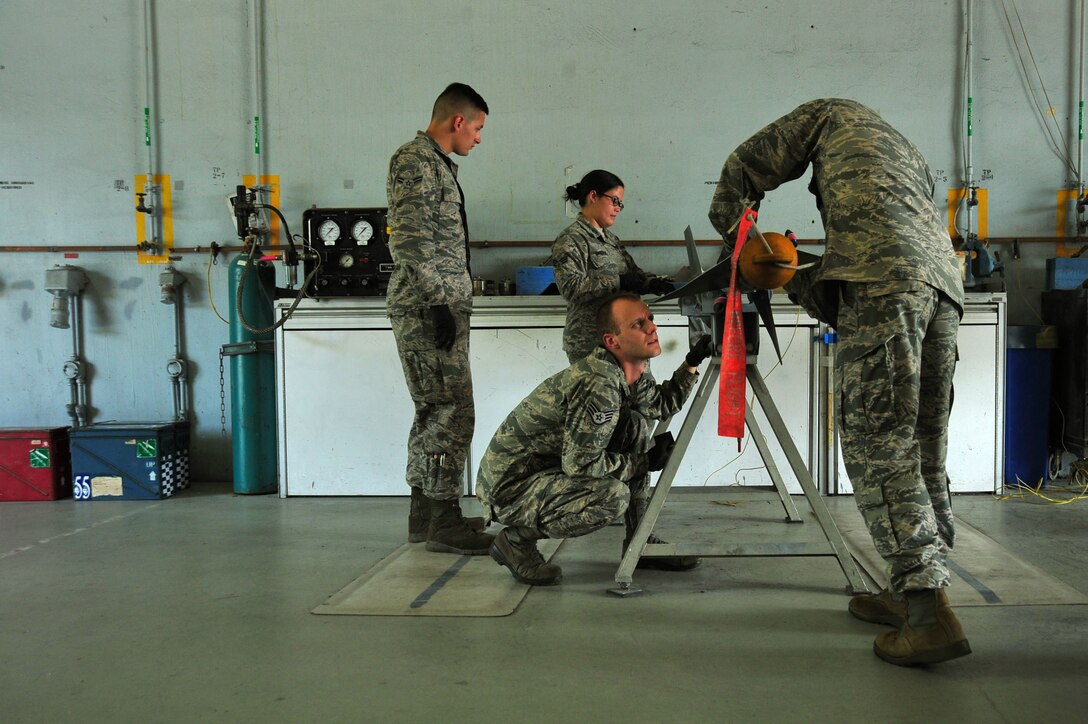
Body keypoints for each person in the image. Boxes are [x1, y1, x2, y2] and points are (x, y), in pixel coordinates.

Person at [708, 98, 969, 666]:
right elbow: (846, 285)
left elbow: (743, 168)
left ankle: (926, 613)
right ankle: (916, 592)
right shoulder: (906, 155)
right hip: (945, 285)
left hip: (886, 278)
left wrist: (741, 242)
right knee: (924, 442)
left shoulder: (826, 115)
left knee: (881, 442)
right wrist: (800, 276)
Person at [476, 292, 714, 585]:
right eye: (638, 324)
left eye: (650, 318)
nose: (652, 327)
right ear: (612, 341)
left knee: (635, 425)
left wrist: (692, 361)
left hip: (546, 469)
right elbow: (582, 466)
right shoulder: (599, 383)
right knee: (612, 498)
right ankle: (515, 541)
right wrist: (643, 462)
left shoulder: (630, 369)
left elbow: (660, 405)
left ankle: (640, 543)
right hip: (512, 487)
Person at [386, 83, 492, 555]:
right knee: (453, 410)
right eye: (479, 128)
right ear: (458, 121)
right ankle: (441, 517)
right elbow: (409, 240)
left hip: (436, 305)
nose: (479, 138)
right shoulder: (415, 160)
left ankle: (426, 515)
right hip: (428, 309)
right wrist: (437, 303)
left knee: (435, 410)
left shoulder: (435, 165)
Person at [548, 170, 676, 364]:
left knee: (637, 394)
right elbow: (570, 288)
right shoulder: (570, 239)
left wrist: (650, 283)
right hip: (592, 344)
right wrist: (619, 281)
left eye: (620, 204)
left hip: (626, 341)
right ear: (593, 196)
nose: (617, 208)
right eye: (614, 201)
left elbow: (633, 274)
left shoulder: (611, 240)